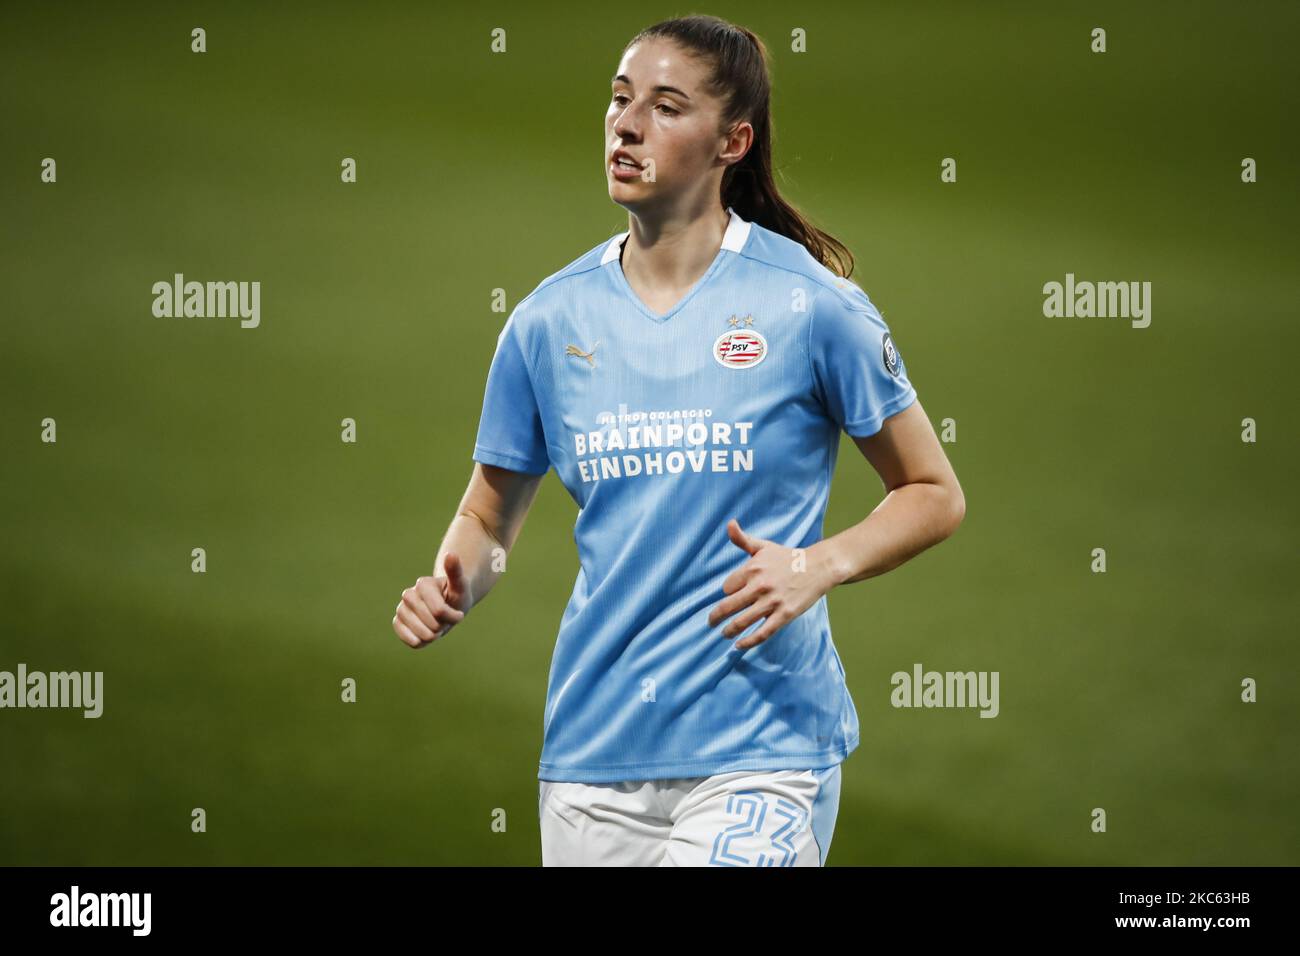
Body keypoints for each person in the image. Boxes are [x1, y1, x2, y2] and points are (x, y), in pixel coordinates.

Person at [392, 14, 965, 867]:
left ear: (733, 140)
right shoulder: (549, 321)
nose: (626, 124)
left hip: (763, 749)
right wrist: (455, 586)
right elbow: (487, 515)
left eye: (664, 106)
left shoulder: (811, 307)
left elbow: (932, 491)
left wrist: (817, 564)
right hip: (595, 749)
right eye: (620, 100)